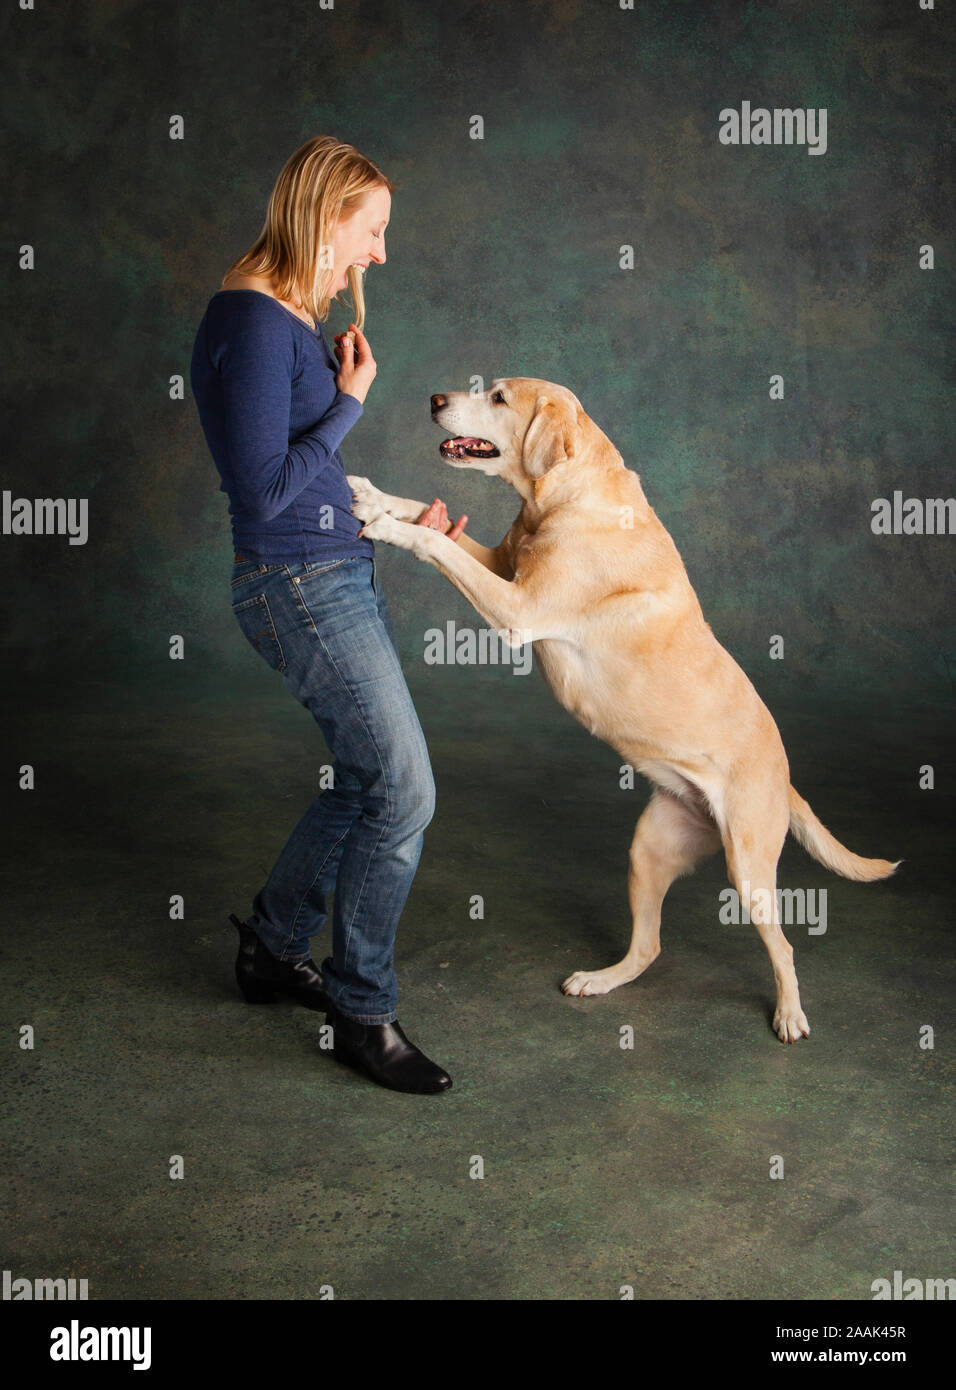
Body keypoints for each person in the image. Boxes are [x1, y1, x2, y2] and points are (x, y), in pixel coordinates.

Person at [189, 135, 458, 1095]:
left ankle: (270, 949)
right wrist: (349, 402)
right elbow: (263, 495)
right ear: (325, 212)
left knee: (365, 780)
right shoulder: (258, 321)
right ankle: (361, 1010)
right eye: (373, 229)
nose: (381, 252)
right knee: (406, 789)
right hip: (298, 588)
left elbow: (306, 482)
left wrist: (386, 516)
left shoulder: (280, 316)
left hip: (329, 570)